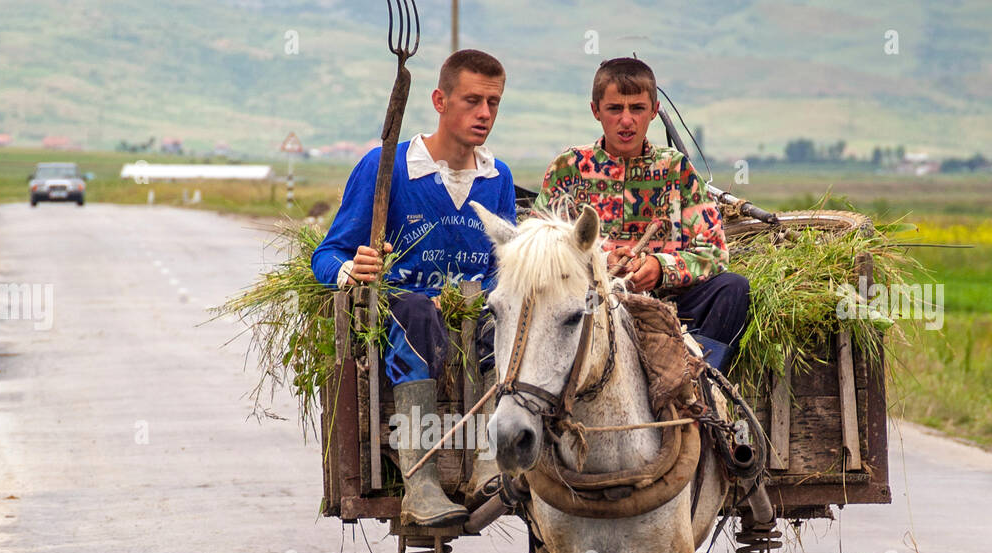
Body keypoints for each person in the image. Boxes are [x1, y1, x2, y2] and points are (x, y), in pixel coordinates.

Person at [312, 49, 516, 526]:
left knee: (503, 314)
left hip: (474, 324)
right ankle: (420, 482)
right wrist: (352, 268)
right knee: (417, 311)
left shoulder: (497, 178)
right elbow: (327, 254)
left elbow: (501, 266)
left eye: (493, 103)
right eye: (471, 100)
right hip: (405, 320)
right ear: (440, 100)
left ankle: (488, 463)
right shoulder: (388, 166)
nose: (484, 114)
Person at [535, 57, 749, 374]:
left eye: (636, 108)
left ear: (653, 110)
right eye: (614, 108)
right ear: (595, 110)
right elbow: (540, 246)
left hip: (669, 306)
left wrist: (660, 268)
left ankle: (697, 380)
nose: (626, 120)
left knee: (733, 289)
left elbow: (715, 252)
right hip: (591, 303)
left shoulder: (676, 170)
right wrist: (601, 261)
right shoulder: (569, 168)